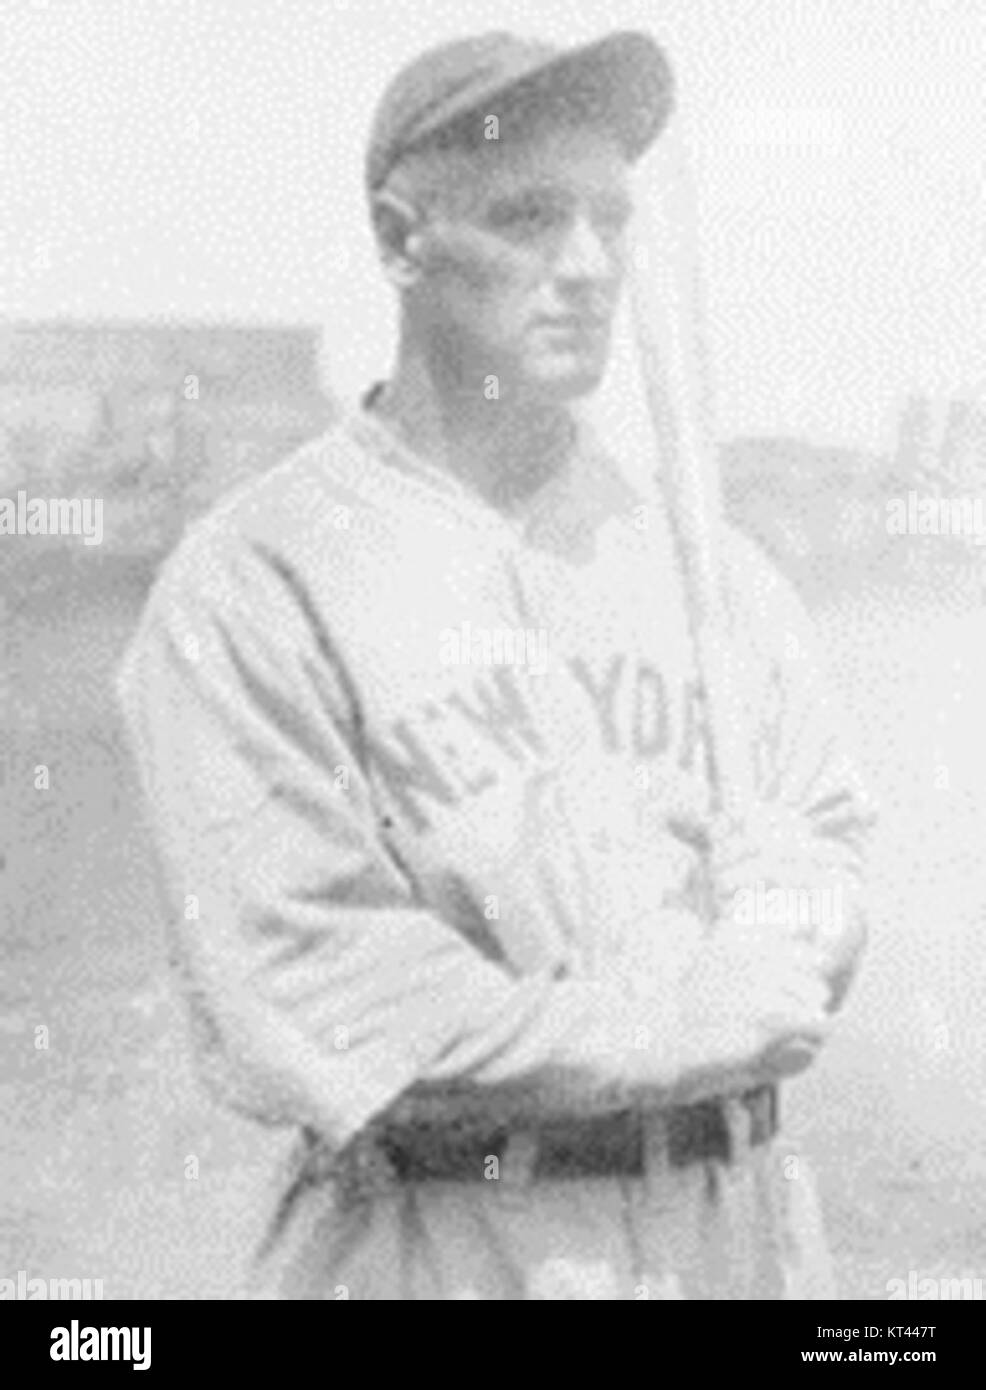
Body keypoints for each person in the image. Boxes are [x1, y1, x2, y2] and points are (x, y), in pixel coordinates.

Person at [117, 29, 873, 1299]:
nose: (586, 266)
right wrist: (674, 1029)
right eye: (529, 218)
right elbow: (321, 993)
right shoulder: (259, 581)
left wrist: (797, 914)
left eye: (608, 220)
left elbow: (827, 875)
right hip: (451, 1237)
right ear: (402, 239)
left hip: (731, 1233)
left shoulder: (713, 571)